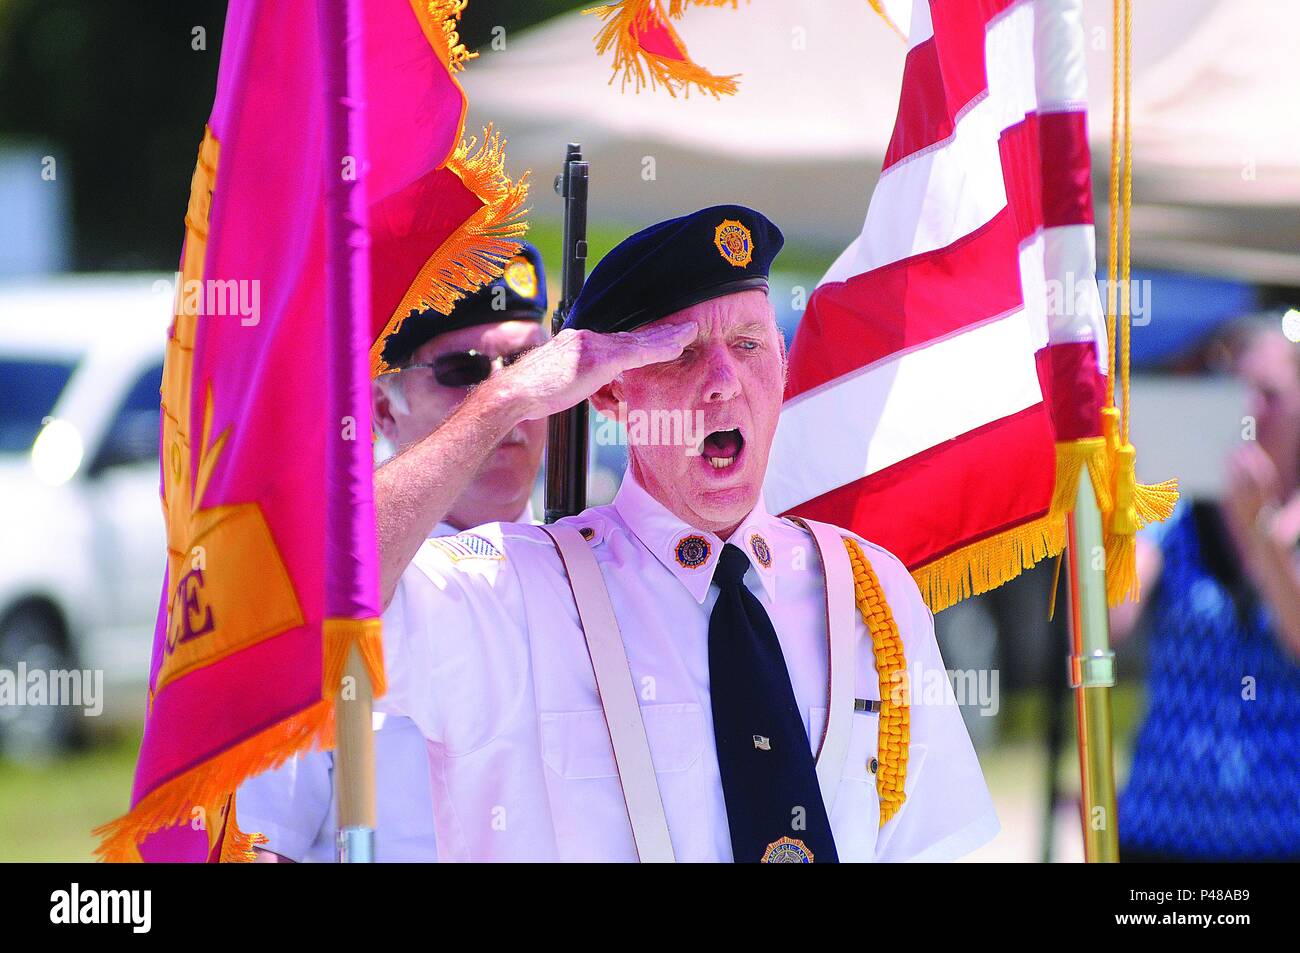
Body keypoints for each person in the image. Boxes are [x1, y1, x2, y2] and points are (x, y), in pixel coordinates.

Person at [375, 205, 999, 862]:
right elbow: (325, 594)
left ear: (783, 367)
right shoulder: (513, 593)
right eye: (682, 353)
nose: (724, 382)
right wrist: (509, 400)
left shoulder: (868, 592)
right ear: (611, 395)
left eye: (750, 345)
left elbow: (930, 846)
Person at [239, 243, 550, 862]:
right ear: (383, 407)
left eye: (524, 368)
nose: (503, 401)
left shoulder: (596, 567)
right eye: (463, 373)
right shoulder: (300, 591)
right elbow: (260, 842)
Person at [1111, 314, 1300, 862]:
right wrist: (1115, 499)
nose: (1252, 412)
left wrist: (1259, 531)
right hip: (1160, 834)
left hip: (1278, 838)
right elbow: (1112, 620)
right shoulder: (1177, 508)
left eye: (1270, 394)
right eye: (1238, 393)